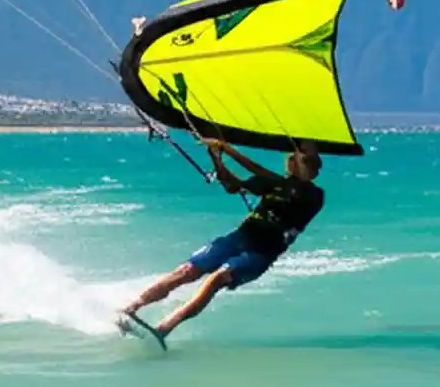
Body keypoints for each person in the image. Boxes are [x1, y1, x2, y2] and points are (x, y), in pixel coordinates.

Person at [120, 138, 324, 340]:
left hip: (262, 252)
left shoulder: (314, 195)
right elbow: (232, 185)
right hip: (240, 237)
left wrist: (228, 148)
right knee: (186, 271)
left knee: (219, 277)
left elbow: (257, 168)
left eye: (305, 160)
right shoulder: (273, 184)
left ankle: (164, 328)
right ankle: (132, 307)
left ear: (314, 171)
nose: (297, 160)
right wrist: (217, 158)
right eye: (296, 158)